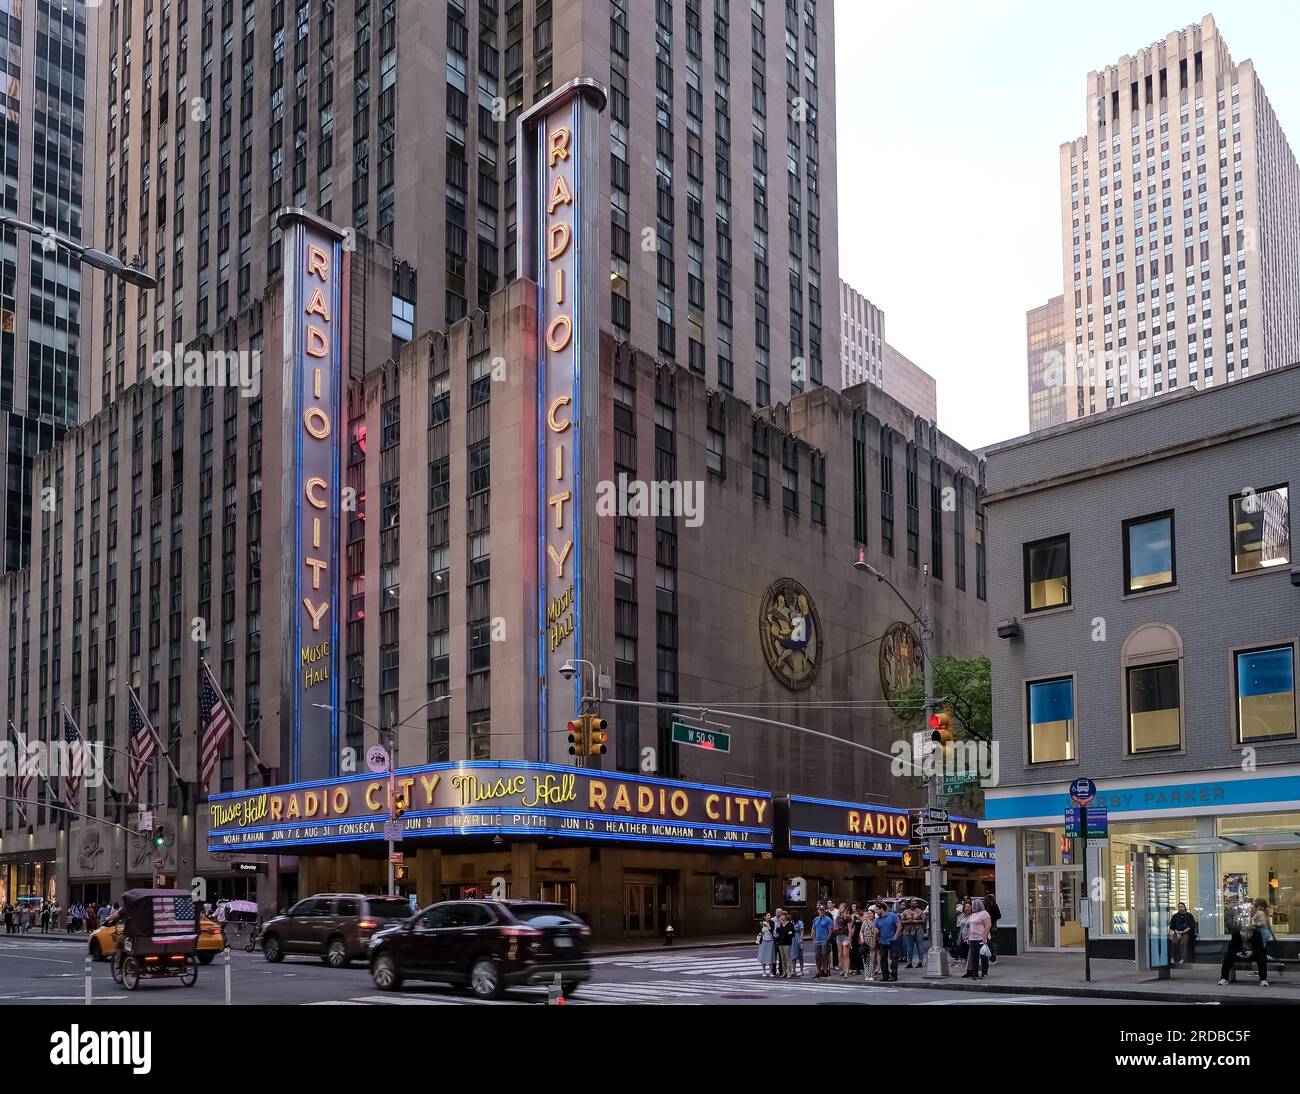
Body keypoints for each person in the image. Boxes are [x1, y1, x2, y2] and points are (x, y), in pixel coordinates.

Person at [1218, 919, 1269, 987]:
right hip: (1240, 954)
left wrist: (1252, 952)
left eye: (1247, 937)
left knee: (1262, 955)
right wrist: (1236, 953)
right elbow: (1231, 947)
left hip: (1253, 954)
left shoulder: (1257, 933)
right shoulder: (1236, 934)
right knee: (1228, 955)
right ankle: (1224, 979)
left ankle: (1263, 979)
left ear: (1251, 934)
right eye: (1243, 937)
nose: (1245, 939)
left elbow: (1260, 947)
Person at [964, 898, 992, 980]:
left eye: (973, 905)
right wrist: (969, 937)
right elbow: (971, 926)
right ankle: (974, 973)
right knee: (974, 956)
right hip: (973, 938)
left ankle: (984, 973)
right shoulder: (973, 914)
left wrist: (985, 937)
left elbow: (988, 925)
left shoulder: (984, 914)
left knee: (983, 956)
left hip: (981, 938)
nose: (972, 907)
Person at [875, 900, 902, 982]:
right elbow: (876, 930)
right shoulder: (877, 920)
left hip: (892, 940)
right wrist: (876, 935)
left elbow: (899, 926)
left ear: (882, 909)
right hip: (882, 941)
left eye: (877, 910)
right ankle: (885, 975)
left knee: (894, 957)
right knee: (883, 958)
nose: (876, 912)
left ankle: (894, 975)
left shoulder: (892, 916)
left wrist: (896, 935)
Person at [812, 903, 834, 978]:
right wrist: (814, 938)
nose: (821, 911)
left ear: (825, 911)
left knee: (825, 955)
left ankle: (825, 970)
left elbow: (830, 930)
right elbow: (814, 929)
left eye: (823, 910)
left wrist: (828, 938)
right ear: (818, 911)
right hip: (817, 940)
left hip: (824, 939)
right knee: (817, 956)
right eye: (820, 910)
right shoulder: (816, 919)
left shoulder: (828, 919)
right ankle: (819, 971)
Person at [859, 905, 880, 981]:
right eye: (868, 914)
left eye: (870, 913)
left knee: (872, 958)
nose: (869, 915)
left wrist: (874, 943)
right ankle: (866, 974)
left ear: (874, 914)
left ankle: (871, 974)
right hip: (865, 941)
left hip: (872, 941)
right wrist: (862, 939)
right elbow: (861, 931)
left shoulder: (876, 922)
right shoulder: (864, 922)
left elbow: (876, 932)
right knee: (865, 958)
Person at [834, 903, 852, 977]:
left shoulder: (847, 917)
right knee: (840, 954)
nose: (840, 908)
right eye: (840, 907)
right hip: (838, 936)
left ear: (845, 908)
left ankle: (846, 972)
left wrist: (849, 940)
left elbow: (850, 929)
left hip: (845, 936)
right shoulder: (838, 917)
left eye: (842, 907)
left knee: (845, 955)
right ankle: (844, 969)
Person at [756, 914, 777, 978]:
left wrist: (768, 926)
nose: (769, 916)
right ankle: (764, 971)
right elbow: (759, 932)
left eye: (770, 915)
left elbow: (772, 931)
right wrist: (760, 934)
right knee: (763, 956)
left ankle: (770, 972)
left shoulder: (772, 923)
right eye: (767, 915)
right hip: (763, 941)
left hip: (770, 941)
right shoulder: (760, 923)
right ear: (764, 917)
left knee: (771, 956)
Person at [773, 910, 793, 977]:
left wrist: (786, 932)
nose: (781, 917)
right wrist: (779, 923)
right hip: (780, 943)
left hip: (787, 943)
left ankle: (789, 972)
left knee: (787, 958)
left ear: (786, 916)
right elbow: (777, 931)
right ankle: (784, 972)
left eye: (782, 915)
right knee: (782, 958)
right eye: (780, 915)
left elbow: (791, 933)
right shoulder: (781, 924)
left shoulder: (790, 924)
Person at [983, 892, 1002, 964]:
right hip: (990, 925)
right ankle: (991, 957)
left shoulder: (993, 905)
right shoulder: (988, 906)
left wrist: (989, 917)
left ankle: (992, 958)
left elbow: (998, 915)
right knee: (990, 941)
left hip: (992, 925)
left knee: (992, 942)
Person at [848, 903, 863, 974]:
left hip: (862, 934)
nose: (858, 912)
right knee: (854, 950)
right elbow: (851, 927)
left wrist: (859, 917)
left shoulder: (865, 915)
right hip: (855, 934)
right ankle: (855, 967)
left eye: (859, 911)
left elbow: (865, 922)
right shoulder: (854, 916)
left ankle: (861, 967)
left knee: (861, 951)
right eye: (857, 911)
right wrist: (853, 919)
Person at [790, 911, 805, 977]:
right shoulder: (791, 922)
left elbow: (801, 932)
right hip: (792, 939)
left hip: (797, 938)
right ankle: (794, 970)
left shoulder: (800, 923)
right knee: (793, 955)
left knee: (800, 956)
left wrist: (801, 940)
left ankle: (801, 970)